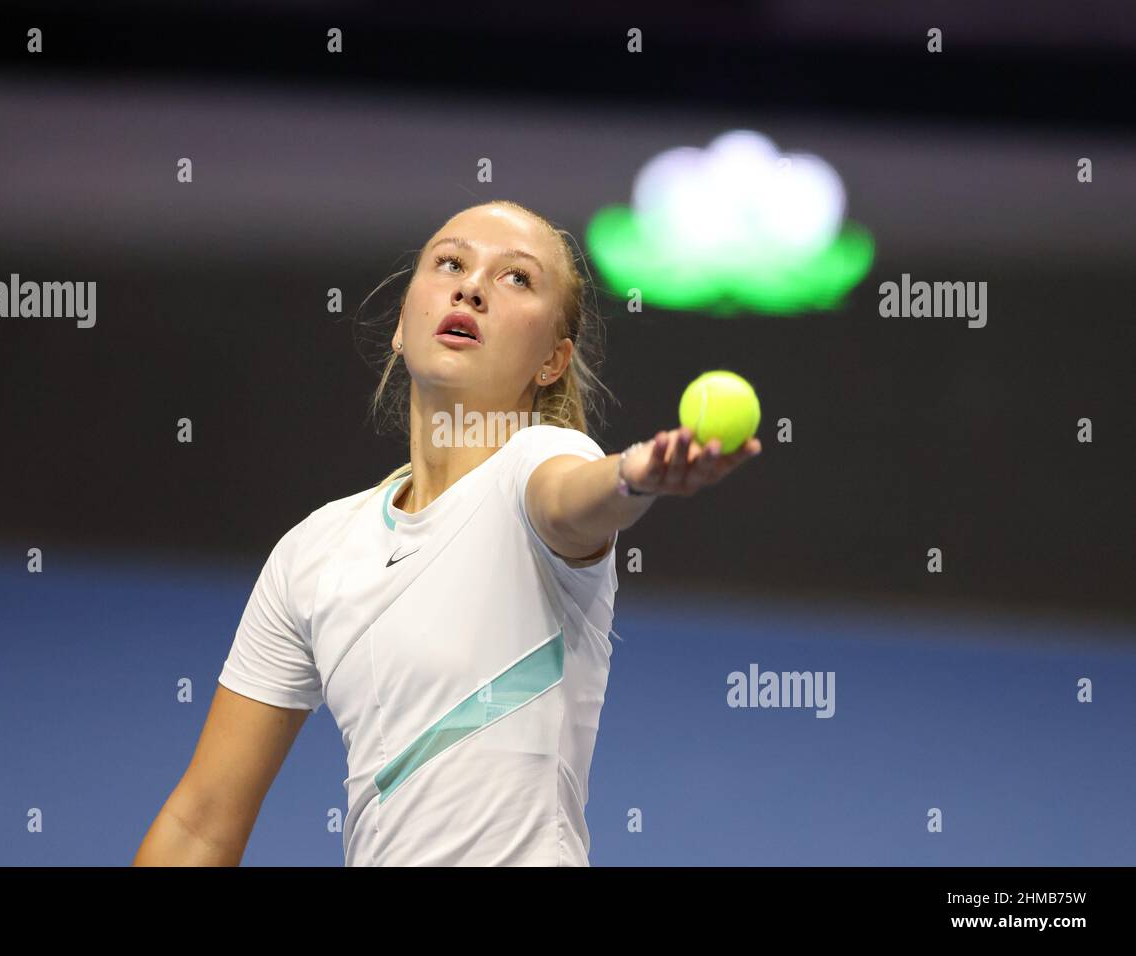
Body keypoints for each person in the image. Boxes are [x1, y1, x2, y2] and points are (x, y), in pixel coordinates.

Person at [133, 200, 760, 867]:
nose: (471, 287)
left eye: (516, 278)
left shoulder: (537, 465)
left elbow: (571, 498)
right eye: (450, 263)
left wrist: (633, 477)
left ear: (553, 360)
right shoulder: (313, 552)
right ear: (403, 325)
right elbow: (200, 823)